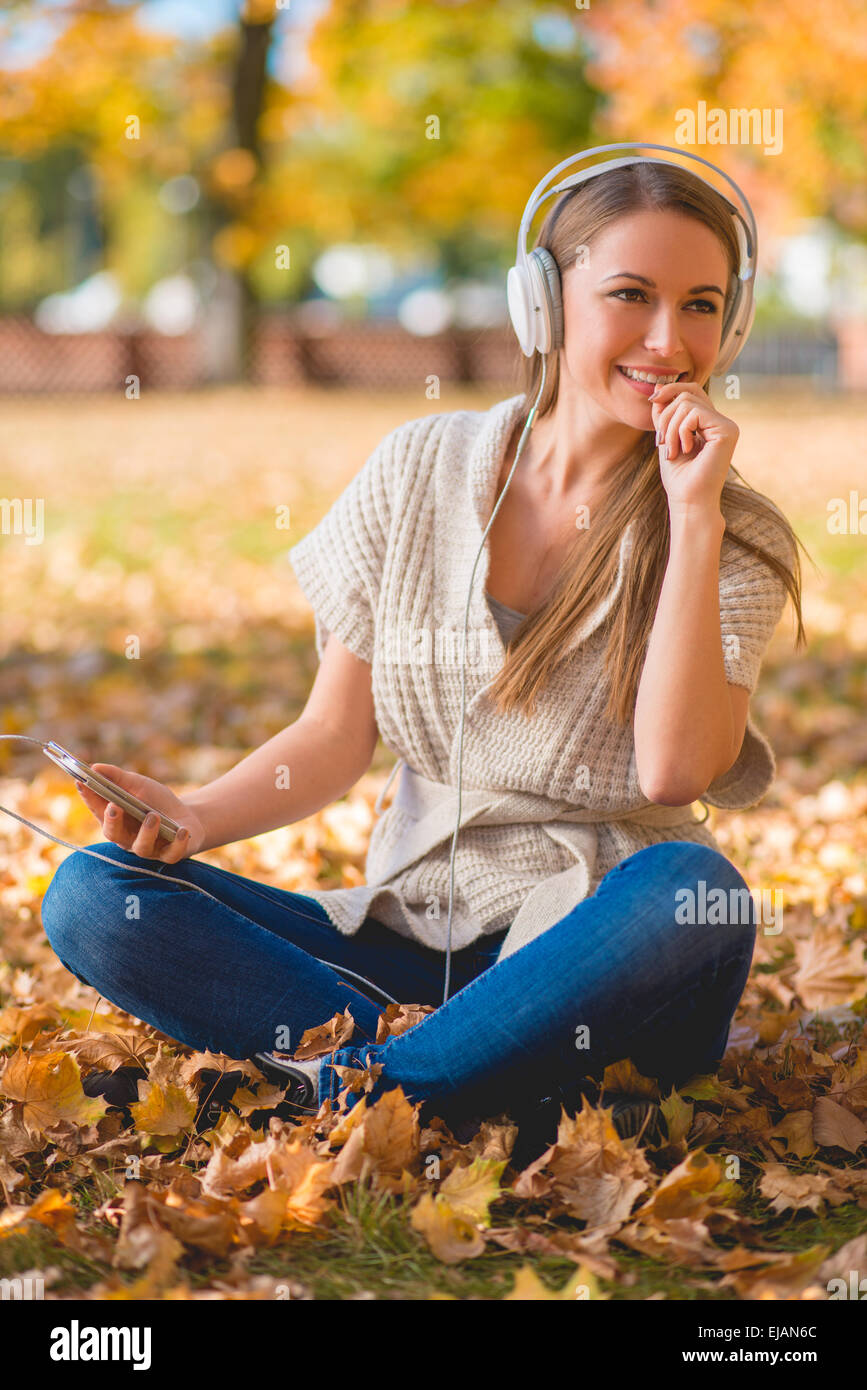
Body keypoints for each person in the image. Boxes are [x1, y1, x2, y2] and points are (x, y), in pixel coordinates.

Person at [41, 158, 805, 1154]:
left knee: (694, 897)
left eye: (700, 306)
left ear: (732, 325)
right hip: (409, 945)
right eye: (630, 295)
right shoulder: (418, 469)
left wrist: (692, 516)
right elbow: (332, 735)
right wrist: (195, 815)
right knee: (96, 894)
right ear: (543, 301)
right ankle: (435, 1079)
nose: (670, 340)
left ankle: (376, 1090)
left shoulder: (733, 535)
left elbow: (674, 771)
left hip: (599, 956)